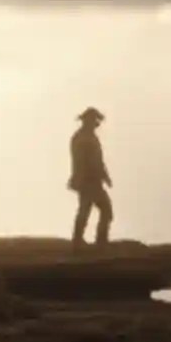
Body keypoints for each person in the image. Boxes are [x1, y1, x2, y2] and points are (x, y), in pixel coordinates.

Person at [69, 107, 113, 249]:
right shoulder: (84, 138)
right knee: (103, 210)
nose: (97, 123)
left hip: (90, 180)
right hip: (89, 181)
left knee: (87, 209)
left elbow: (98, 160)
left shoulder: (86, 137)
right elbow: (88, 162)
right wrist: (102, 176)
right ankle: (95, 241)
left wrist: (104, 176)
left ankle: (81, 240)